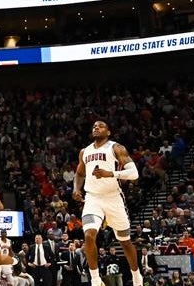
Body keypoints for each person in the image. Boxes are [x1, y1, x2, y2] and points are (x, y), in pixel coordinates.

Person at [74, 121, 143, 286]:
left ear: (109, 132)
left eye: (101, 126)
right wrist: (76, 189)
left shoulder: (116, 148)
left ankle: (137, 277)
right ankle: (96, 280)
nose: (96, 127)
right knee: (89, 235)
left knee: (125, 241)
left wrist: (109, 173)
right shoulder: (85, 151)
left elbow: (134, 174)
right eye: (94, 126)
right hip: (92, 198)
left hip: (113, 198)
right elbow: (79, 173)